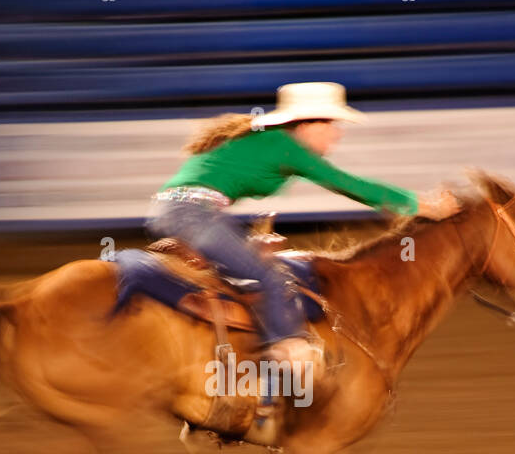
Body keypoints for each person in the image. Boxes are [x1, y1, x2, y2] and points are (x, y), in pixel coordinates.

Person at [146, 81, 459, 378]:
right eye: (331, 125)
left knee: (251, 269)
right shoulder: (288, 147)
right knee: (272, 277)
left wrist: (246, 239)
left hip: (184, 211)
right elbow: (349, 185)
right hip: (192, 214)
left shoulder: (269, 139)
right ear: (308, 124)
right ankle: (286, 360)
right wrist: (420, 204)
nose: (337, 135)